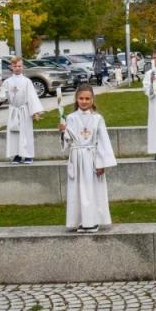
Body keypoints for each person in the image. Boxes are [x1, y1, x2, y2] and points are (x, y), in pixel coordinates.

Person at [59, 84, 117, 233]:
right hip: (77, 159)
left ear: (92, 99)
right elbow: (68, 141)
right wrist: (63, 132)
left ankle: (92, 221)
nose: (84, 101)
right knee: (77, 190)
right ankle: (79, 220)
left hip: (92, 159)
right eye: (81, 98)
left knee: (92, 190)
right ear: (76, 99)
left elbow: (103, 141)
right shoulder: (70, 118)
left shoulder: (97, 119)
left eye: (87, 98)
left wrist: (101, 163)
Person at [0, 56, 44, 164]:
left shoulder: (27, 81)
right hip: (13, 110)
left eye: (19, 66)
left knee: (26, 133)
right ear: (11, 67)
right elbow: (2, 97)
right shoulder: (7, 82)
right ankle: (16, 155)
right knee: (14, 133)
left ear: (23, 67)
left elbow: (32, 97)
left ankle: (28, 155)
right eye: (15, 66)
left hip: (25, 110)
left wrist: (35, 112)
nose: (17, 68)